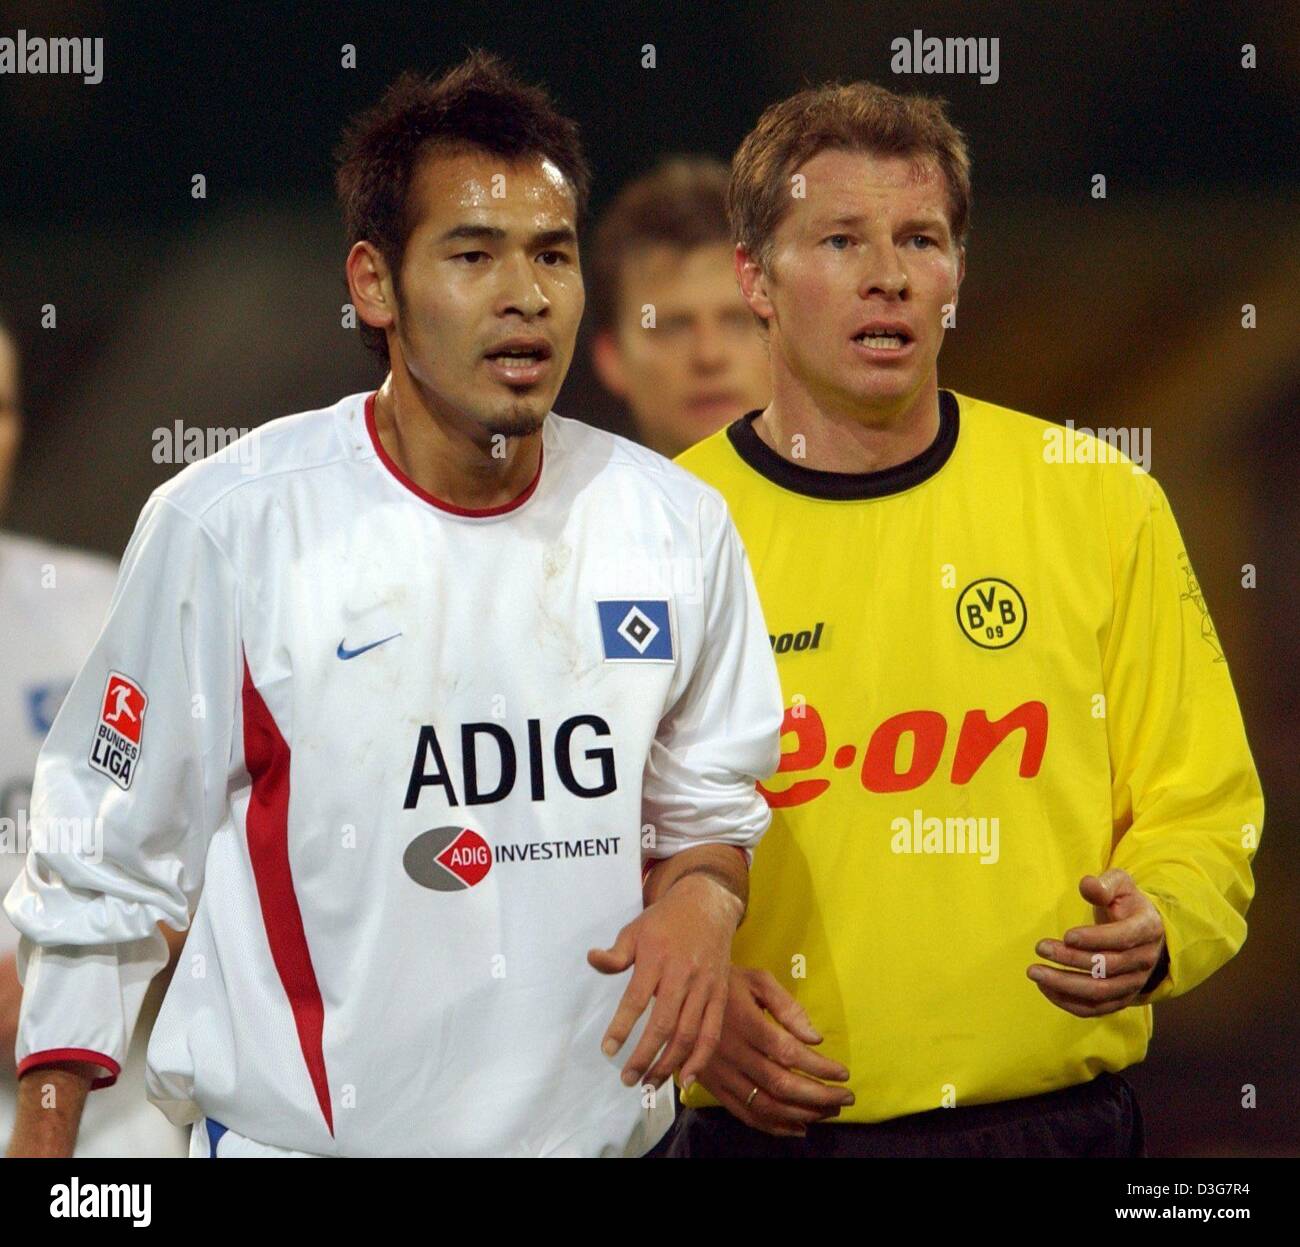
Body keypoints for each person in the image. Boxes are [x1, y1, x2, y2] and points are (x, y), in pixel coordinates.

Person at [4, 53, 782, 1159]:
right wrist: (46, 1140)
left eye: (551, 255)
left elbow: (707, 810)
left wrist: (702, 903)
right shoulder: (229, 528)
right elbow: (102, 853)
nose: (525, 294)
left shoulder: (672, 524)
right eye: (474, 254)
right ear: (374, 282)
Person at [664, 79, 1263, 1158]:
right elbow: (572, 846)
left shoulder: (1097, 498)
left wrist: (1161, 918)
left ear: (957, 272)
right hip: (769, 1133)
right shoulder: (661, 531)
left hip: (1057, 1129)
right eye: (840, 239)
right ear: (754, 276)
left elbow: (1206, 807)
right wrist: (690, 1006)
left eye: (920, 238)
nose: (887, 275)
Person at [0, 317, 186, 1157]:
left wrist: (65, 984)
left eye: (0, 407)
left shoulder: (103, 607)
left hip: (115, 1120)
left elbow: (209, 847)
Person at [590, 158, 769, 457]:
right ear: (611, 357)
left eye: (739, 321)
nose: (709, 355)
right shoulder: (573, 505)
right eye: (673, 328)